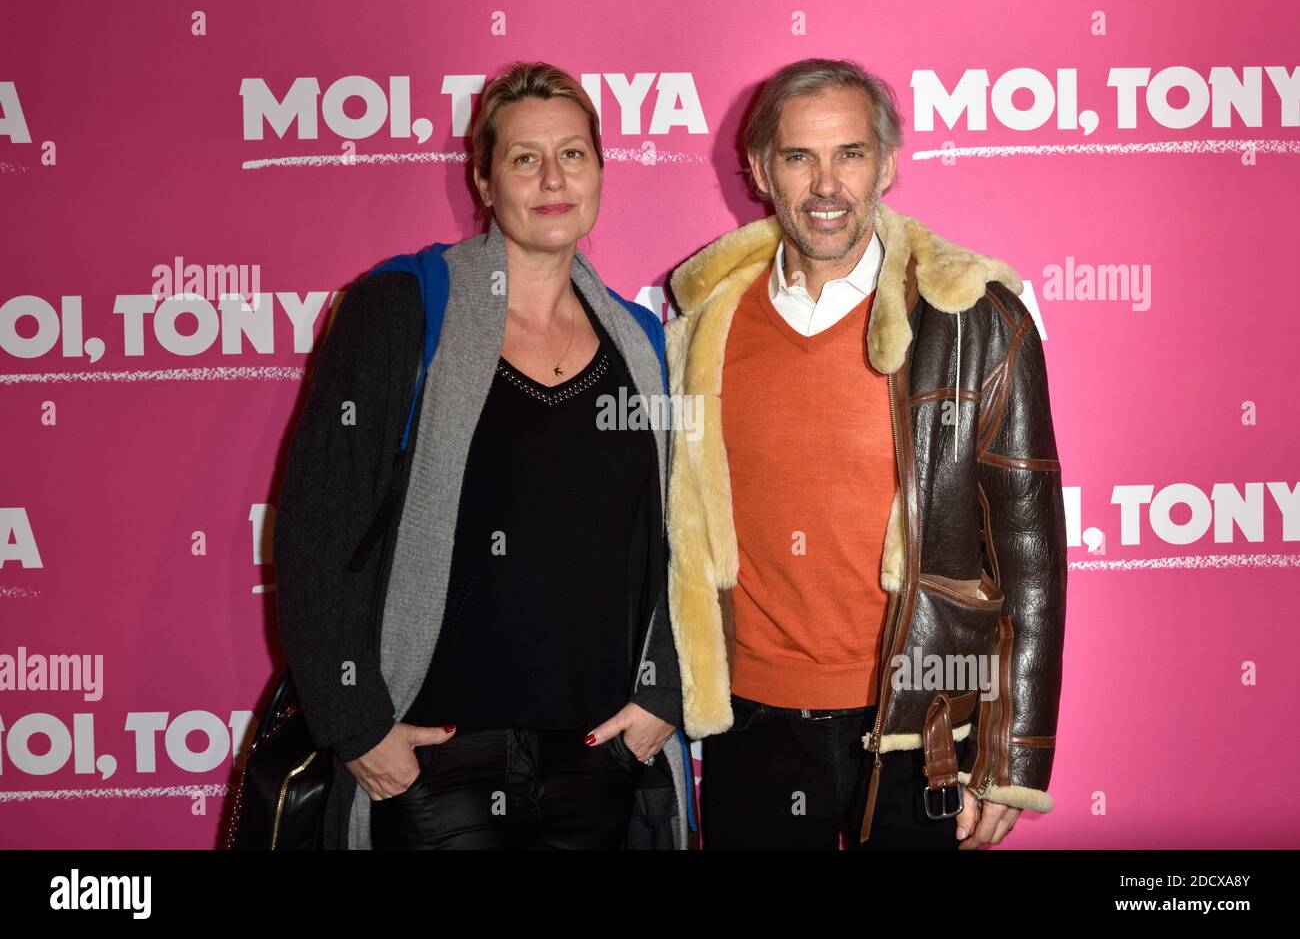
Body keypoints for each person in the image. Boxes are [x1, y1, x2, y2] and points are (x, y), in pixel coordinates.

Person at [273, 61, 690, 849]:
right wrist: (357, 724)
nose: (552, 177)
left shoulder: (641, 342)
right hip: (434, 762)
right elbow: (318, 525)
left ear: (600, 170)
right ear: (483, 178)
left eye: (573, 153)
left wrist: (663, 688)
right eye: (524, 158)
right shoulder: (400, 310)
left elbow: (682, 541)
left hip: (600, 756)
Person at [664, 58, 1068, 849]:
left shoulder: (976, 320)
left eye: (850, 154)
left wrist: (1010, 755)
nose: (826, 185)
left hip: (926, 722)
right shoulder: (702, 327)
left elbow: (1029, 553)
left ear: (886, 163)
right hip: (752, 724)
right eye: (798, 156)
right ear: (758, 169)